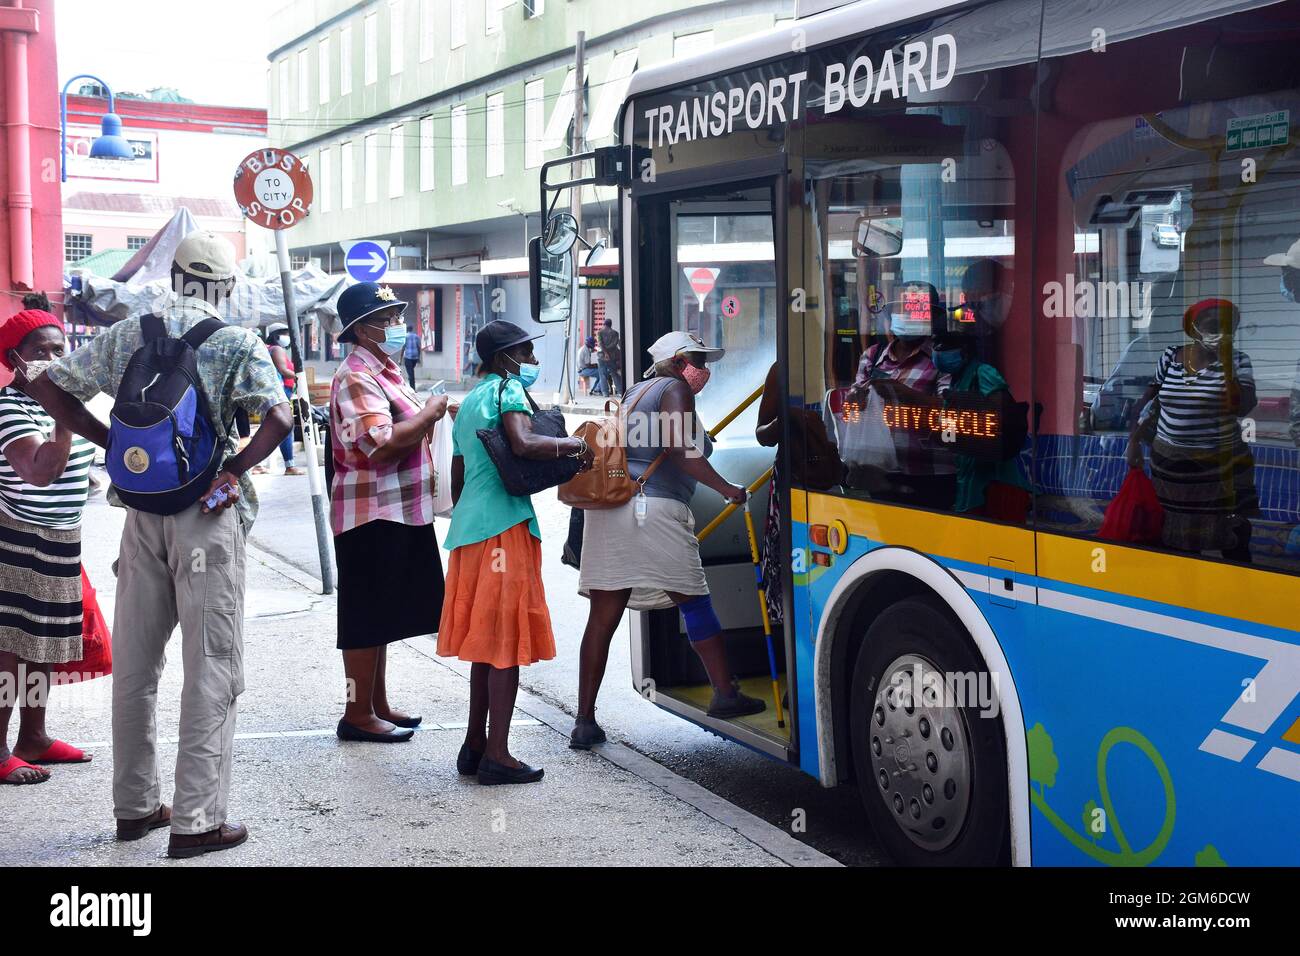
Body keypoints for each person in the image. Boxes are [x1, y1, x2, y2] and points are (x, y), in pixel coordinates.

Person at [28, 231, 293, 857]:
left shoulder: (125, 334)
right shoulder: (235, 341)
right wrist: (233, 472)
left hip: (140, 517)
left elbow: (47, 385)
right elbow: (279, 418)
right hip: (207, 515)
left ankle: (134, 807)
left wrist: (111, 446)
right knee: (212, 668)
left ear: (173, 277)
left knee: (137, 670)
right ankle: (198, 821)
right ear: (223, 286)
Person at [571, 331, 763, 751]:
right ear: (677, 362)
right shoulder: (675, 388)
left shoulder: (636, 390)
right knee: (693, 600)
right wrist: (727, 487)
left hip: (612, 509)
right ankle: (726, 695)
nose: (704, 369)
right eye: (697, 359)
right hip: (653, 509)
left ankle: (584, 720)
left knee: (603, 615)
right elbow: (680, 449)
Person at [439, 320, 586, 784]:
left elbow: (458, 477)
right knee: (505, 644)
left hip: (469, 532)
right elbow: (523, 442)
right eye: (526, 352)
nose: (533, 362)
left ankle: (474, 744)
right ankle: (499, 754)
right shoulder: (507, 391)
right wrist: (575, 443)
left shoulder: (468, 402)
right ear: (505, 357)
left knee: (485, 645)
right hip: (504, 527)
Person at [329, 283, 449, 744]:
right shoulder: (357, 374)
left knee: (381, 614)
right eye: (387, 319)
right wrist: (431, 413)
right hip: (370, 511)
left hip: (398, 508)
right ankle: (356, 713)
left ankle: (376, 704)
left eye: (397, 316)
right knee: (363, 618)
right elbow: (381, 445)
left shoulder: (386, 369)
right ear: (362, 329)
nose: (396, 325)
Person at [0, 309, 96, 785]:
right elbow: (40, 470)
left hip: (61, 534)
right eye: (42, 351)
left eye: (60, 349)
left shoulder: (58, 403)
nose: (55, 359)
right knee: (9, 645)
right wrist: (65, 414)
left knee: (44, 644)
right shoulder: (11, 407)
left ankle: (33, 736)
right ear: (15, 359)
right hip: (18, 536)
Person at [1125, 298, 1258, 560]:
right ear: (1195, 327)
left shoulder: (1239, 360)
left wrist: (1227, 366)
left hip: (1221, 465)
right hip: (1170, 465)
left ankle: (1238, 586)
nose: (1220, 332)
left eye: (1228, 327)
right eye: (1212, 326)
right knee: (1178, 533)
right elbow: (1149, 403)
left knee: (1231, 533)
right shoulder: (1170, 356)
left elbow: (1243, 407)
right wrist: (1133, 442)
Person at [845, 281, 954, 508]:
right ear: (892, 314)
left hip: (928, 476)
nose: (908, 315)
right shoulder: (873, 356)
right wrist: (856, 399)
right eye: (903, 309)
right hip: (879, 473)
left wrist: (902, 394)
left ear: (932, 316)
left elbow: (949, 412)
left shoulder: (942, 358)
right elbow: (855, 408)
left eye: (917, 310)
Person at [932, 332, 1031, 523]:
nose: (938, 354)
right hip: (968, 477)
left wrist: (961, 407)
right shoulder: (955, 382)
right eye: (936, 349)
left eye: (944, 349)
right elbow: (949, 434)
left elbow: (1000, 410)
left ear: (965, 351)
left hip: (996, 483)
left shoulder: (983, 372)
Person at [265, 325, 304, 476]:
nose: (287, 337)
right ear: (276, 335)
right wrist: (300, 376)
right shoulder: (277, 349)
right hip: (281, 393)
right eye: (285, 334)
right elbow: (283, 371)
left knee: (271, 427)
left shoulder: (268, 349)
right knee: (286, 426)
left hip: (273, 393)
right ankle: (289, 466)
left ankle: (260, 465)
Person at [597, 317, 623, 397]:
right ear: (611, 325)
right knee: (614, 373)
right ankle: (620, 391)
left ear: (604, 324)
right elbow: (615, 344)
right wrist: (608, 352)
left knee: (602, 374)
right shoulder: (615, 333)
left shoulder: (599, 332)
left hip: (602, 356)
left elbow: (600, 343)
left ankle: (605, 393)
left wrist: (605, 352)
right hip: (612, 356)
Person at [403, 322, 421, 390]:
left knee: (410, 372)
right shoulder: (416, 336)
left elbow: (403, 347)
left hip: (408, 357)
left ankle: (412, 388)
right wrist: (418, 357)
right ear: (412, 329)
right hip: (415, 357)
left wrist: (400, 357)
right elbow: (419, 347)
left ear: (407, 329)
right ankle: (412, 385)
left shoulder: (405, 336)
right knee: (411, 371)